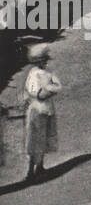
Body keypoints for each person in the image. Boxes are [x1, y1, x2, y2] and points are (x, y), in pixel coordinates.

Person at [23, 43, 60, 180]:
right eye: (44, 60)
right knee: (35, 140)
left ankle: (40, 167)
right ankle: (31, 170)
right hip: (37, 110)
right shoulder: (34, 74)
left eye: (46, 60)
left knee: (43, 138)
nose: (46, 62)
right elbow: (36, 93)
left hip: (45, 109)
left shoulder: (45, 73)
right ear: (38, 61)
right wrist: (48, 91)